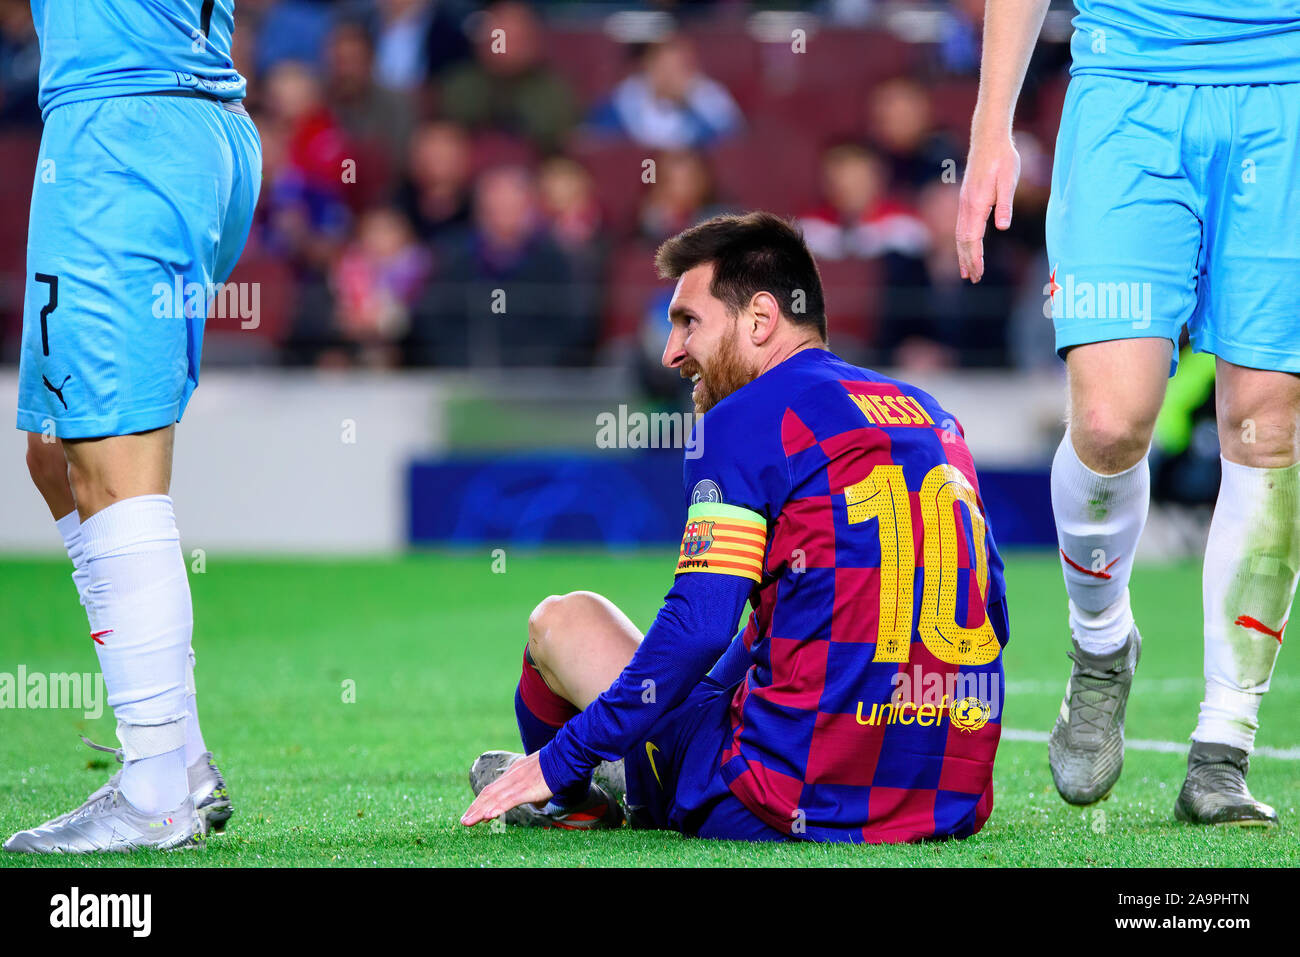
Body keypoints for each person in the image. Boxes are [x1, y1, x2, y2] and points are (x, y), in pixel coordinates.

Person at [462, 212, 1010, 843]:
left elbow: (697, 631)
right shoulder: (930, 414)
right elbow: (991, 609)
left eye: (687, 322)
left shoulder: (743, 419)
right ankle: (622, 768)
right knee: (765, 628)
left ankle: (573, 794)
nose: (671, 352)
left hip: (777, 800)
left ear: (759, 318)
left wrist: (560, 758)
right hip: (947, 803)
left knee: (560, 621)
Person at [956, 0, 1300, 825]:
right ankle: (1102, 641)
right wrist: (990, 127)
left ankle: (1225, 741)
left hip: (1284, 86)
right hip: (1128, 79)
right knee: (1110, 422)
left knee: (1267, 424)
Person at [6, 0, 261, 853]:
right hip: (167, 121)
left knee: (114, 463)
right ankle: (178, 758)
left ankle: (154, 786)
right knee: (57, 454)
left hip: (125, 132)